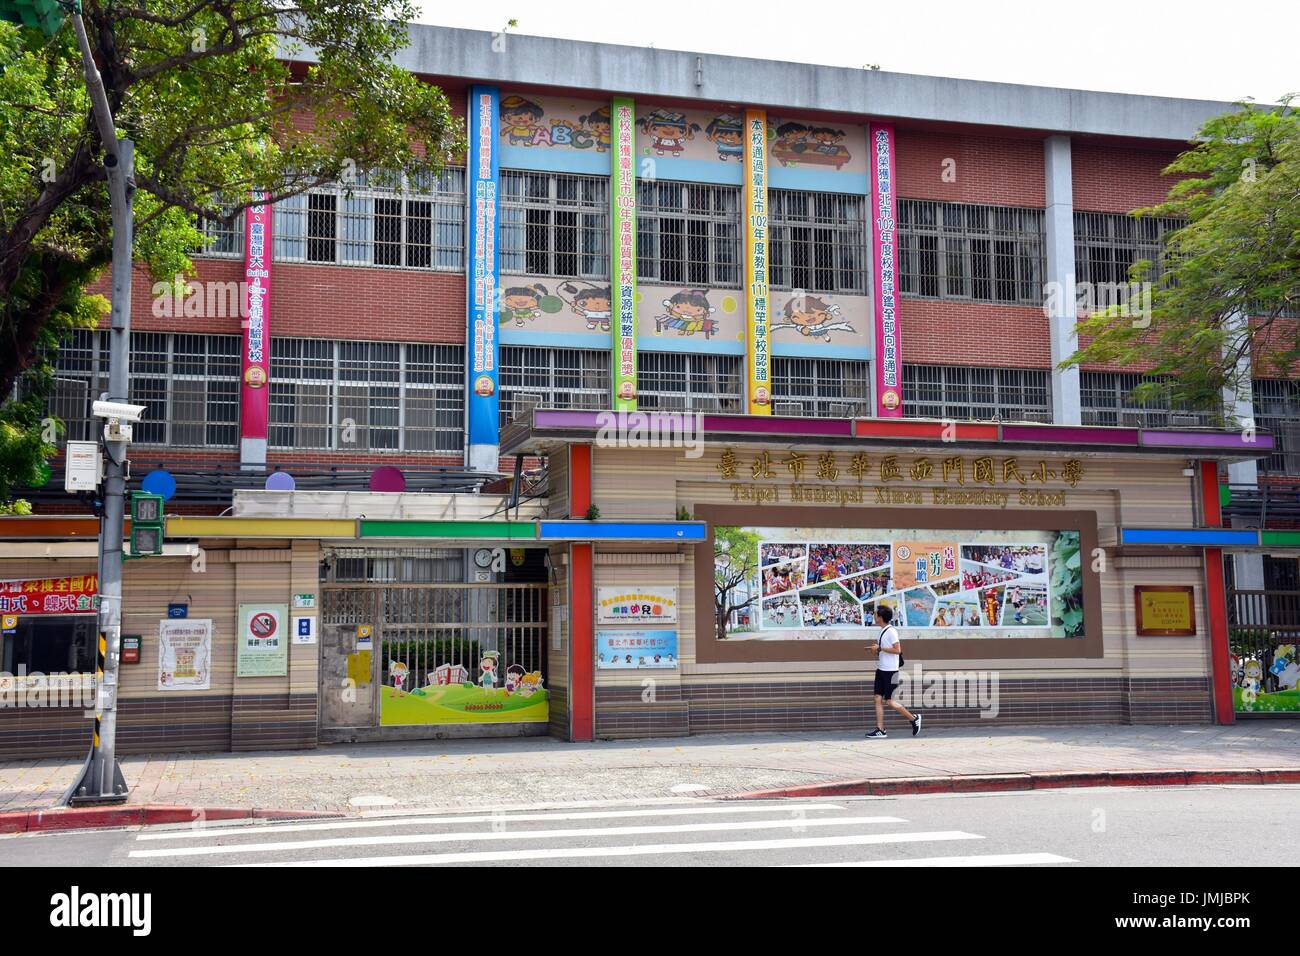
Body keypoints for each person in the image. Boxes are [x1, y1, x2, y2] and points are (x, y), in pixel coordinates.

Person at [865, 605, 921, 738]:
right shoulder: (882, 631)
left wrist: (881, 648)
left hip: (891, 671)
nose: (874, 616)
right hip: (881, 669)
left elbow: (898, 650)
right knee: (877, 698)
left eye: (876, 614)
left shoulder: (891, 631)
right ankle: (880, 729)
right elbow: (883, 650)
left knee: (889, 701)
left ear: (880, 617)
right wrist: (875, 649)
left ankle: (914, 719)